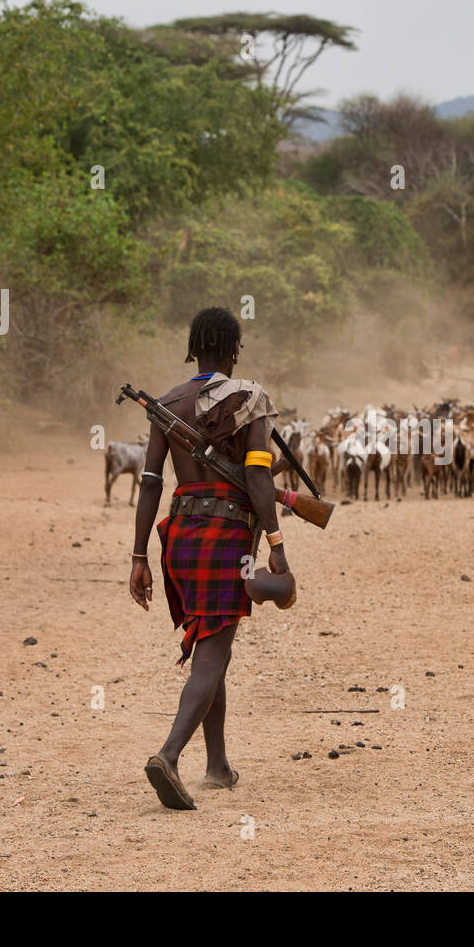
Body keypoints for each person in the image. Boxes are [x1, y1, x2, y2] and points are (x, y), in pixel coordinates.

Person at [127, 306, 289, 809]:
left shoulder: (168, 403)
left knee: (211, 645)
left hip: (178, 538)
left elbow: (151, 482)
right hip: (227, 539)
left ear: (194, 349)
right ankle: (169, 755)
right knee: (213, 652)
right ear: (234, 351)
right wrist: (279, 545)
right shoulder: (250, 398)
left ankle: (217, 766)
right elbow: (260, 477)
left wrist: (138, 556)